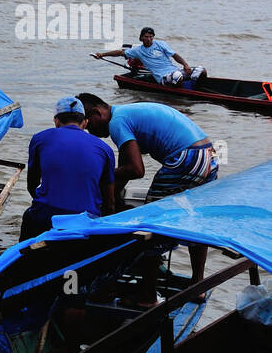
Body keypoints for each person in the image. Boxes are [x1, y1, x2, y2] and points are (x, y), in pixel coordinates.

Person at [77, 92, 218, 290]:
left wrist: (101, 175)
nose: (91, 132)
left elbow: (136, 169)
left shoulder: (117, 122)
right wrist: (109, 199)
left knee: (151, 224)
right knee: (196, 219)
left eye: (89, 125)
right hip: (208, 156)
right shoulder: (126, 114)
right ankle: (198, 285)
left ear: (96, 113)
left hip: (187, 159)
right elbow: (123, 171)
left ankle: (148, 297)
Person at [20, 97, 115, 240]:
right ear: (85, 123)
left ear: (56, 121)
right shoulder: (105, 149)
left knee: (29, 217)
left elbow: (31, 185)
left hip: (46, 218)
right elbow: (109, 203)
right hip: (85, 222)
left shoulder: (40, 139)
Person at [93, 27, 205, 86]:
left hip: (175, 71)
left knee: (201, 70)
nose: (149, 39)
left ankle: (192, 84)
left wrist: (185, 65)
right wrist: (102, 54)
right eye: (146, 37)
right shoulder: (137, 51)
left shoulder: (161, 44)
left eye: (151, 37)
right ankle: (183, 91)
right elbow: (120, 52)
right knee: (177, 76)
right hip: (162, 77)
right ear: (141, 38)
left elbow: (175, 55)